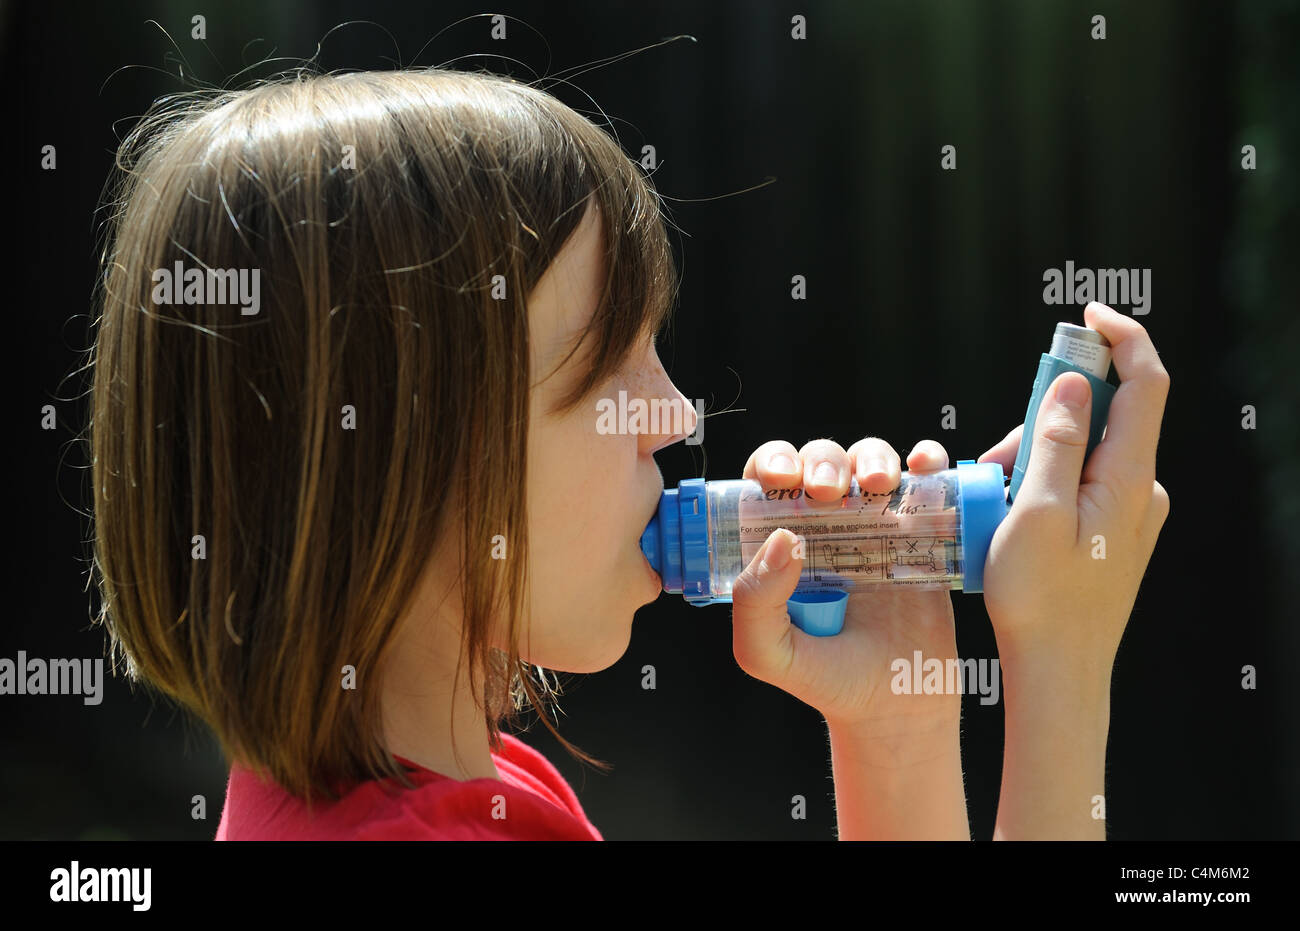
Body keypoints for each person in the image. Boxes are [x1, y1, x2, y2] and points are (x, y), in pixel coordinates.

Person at [88, 67, 1169, 840]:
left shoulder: (461, 789)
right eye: (609, 369)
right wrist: (1062, 669)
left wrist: (897, 727)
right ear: (398, 464)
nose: (671, 415)